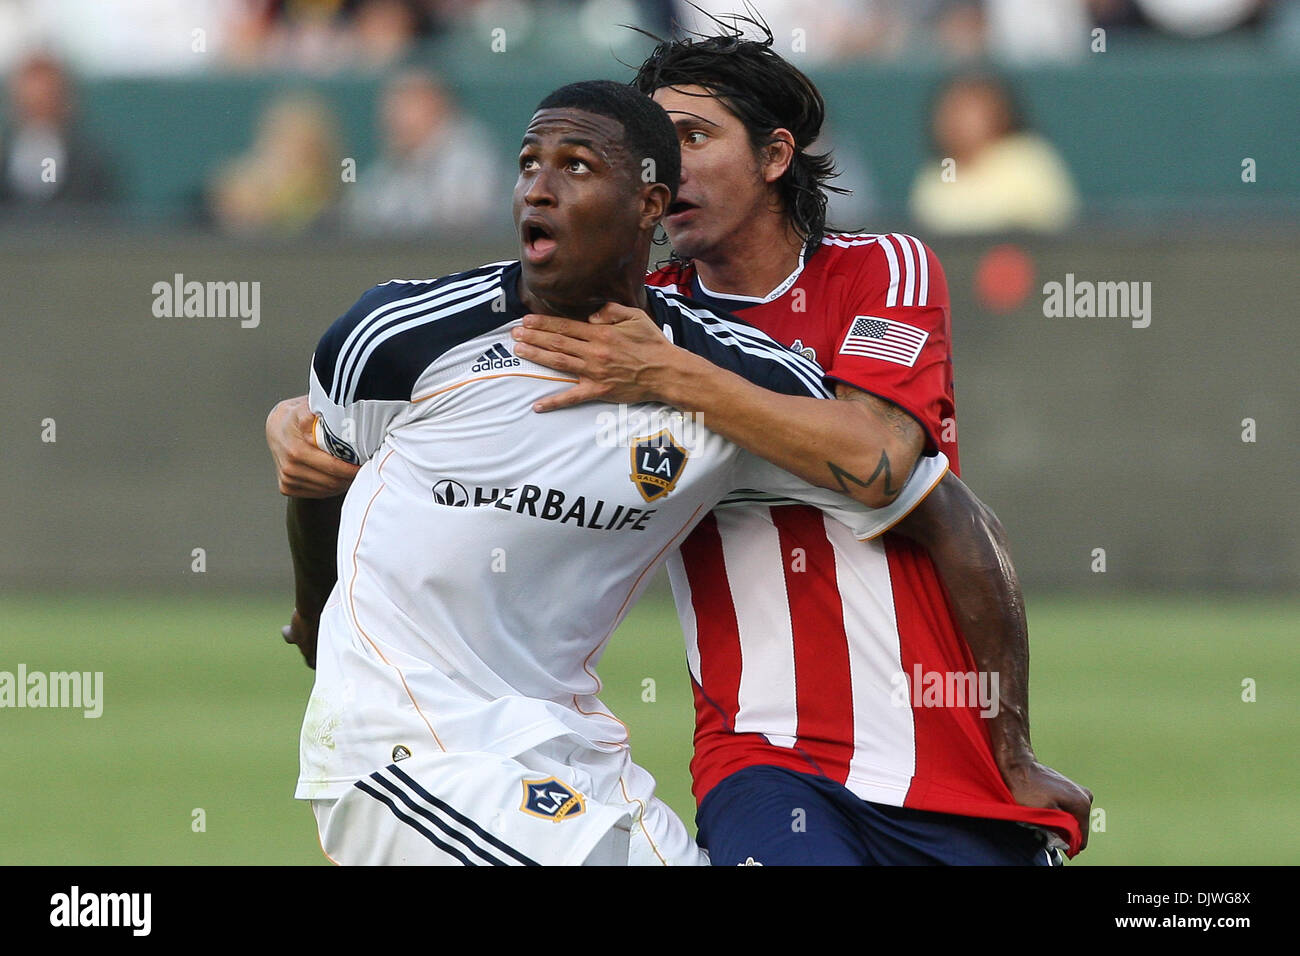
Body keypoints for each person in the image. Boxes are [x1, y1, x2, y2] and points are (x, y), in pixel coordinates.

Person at [269, 28, 1093, 865]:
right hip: (764, 753)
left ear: (775, 156)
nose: (673, 164)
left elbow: (889, 464)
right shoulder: (629, 320)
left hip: (938, 753)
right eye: (658, 146)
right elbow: (394, 397)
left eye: (692, 138)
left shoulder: (869, 274)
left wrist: (1013, 746)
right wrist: (295, 423)